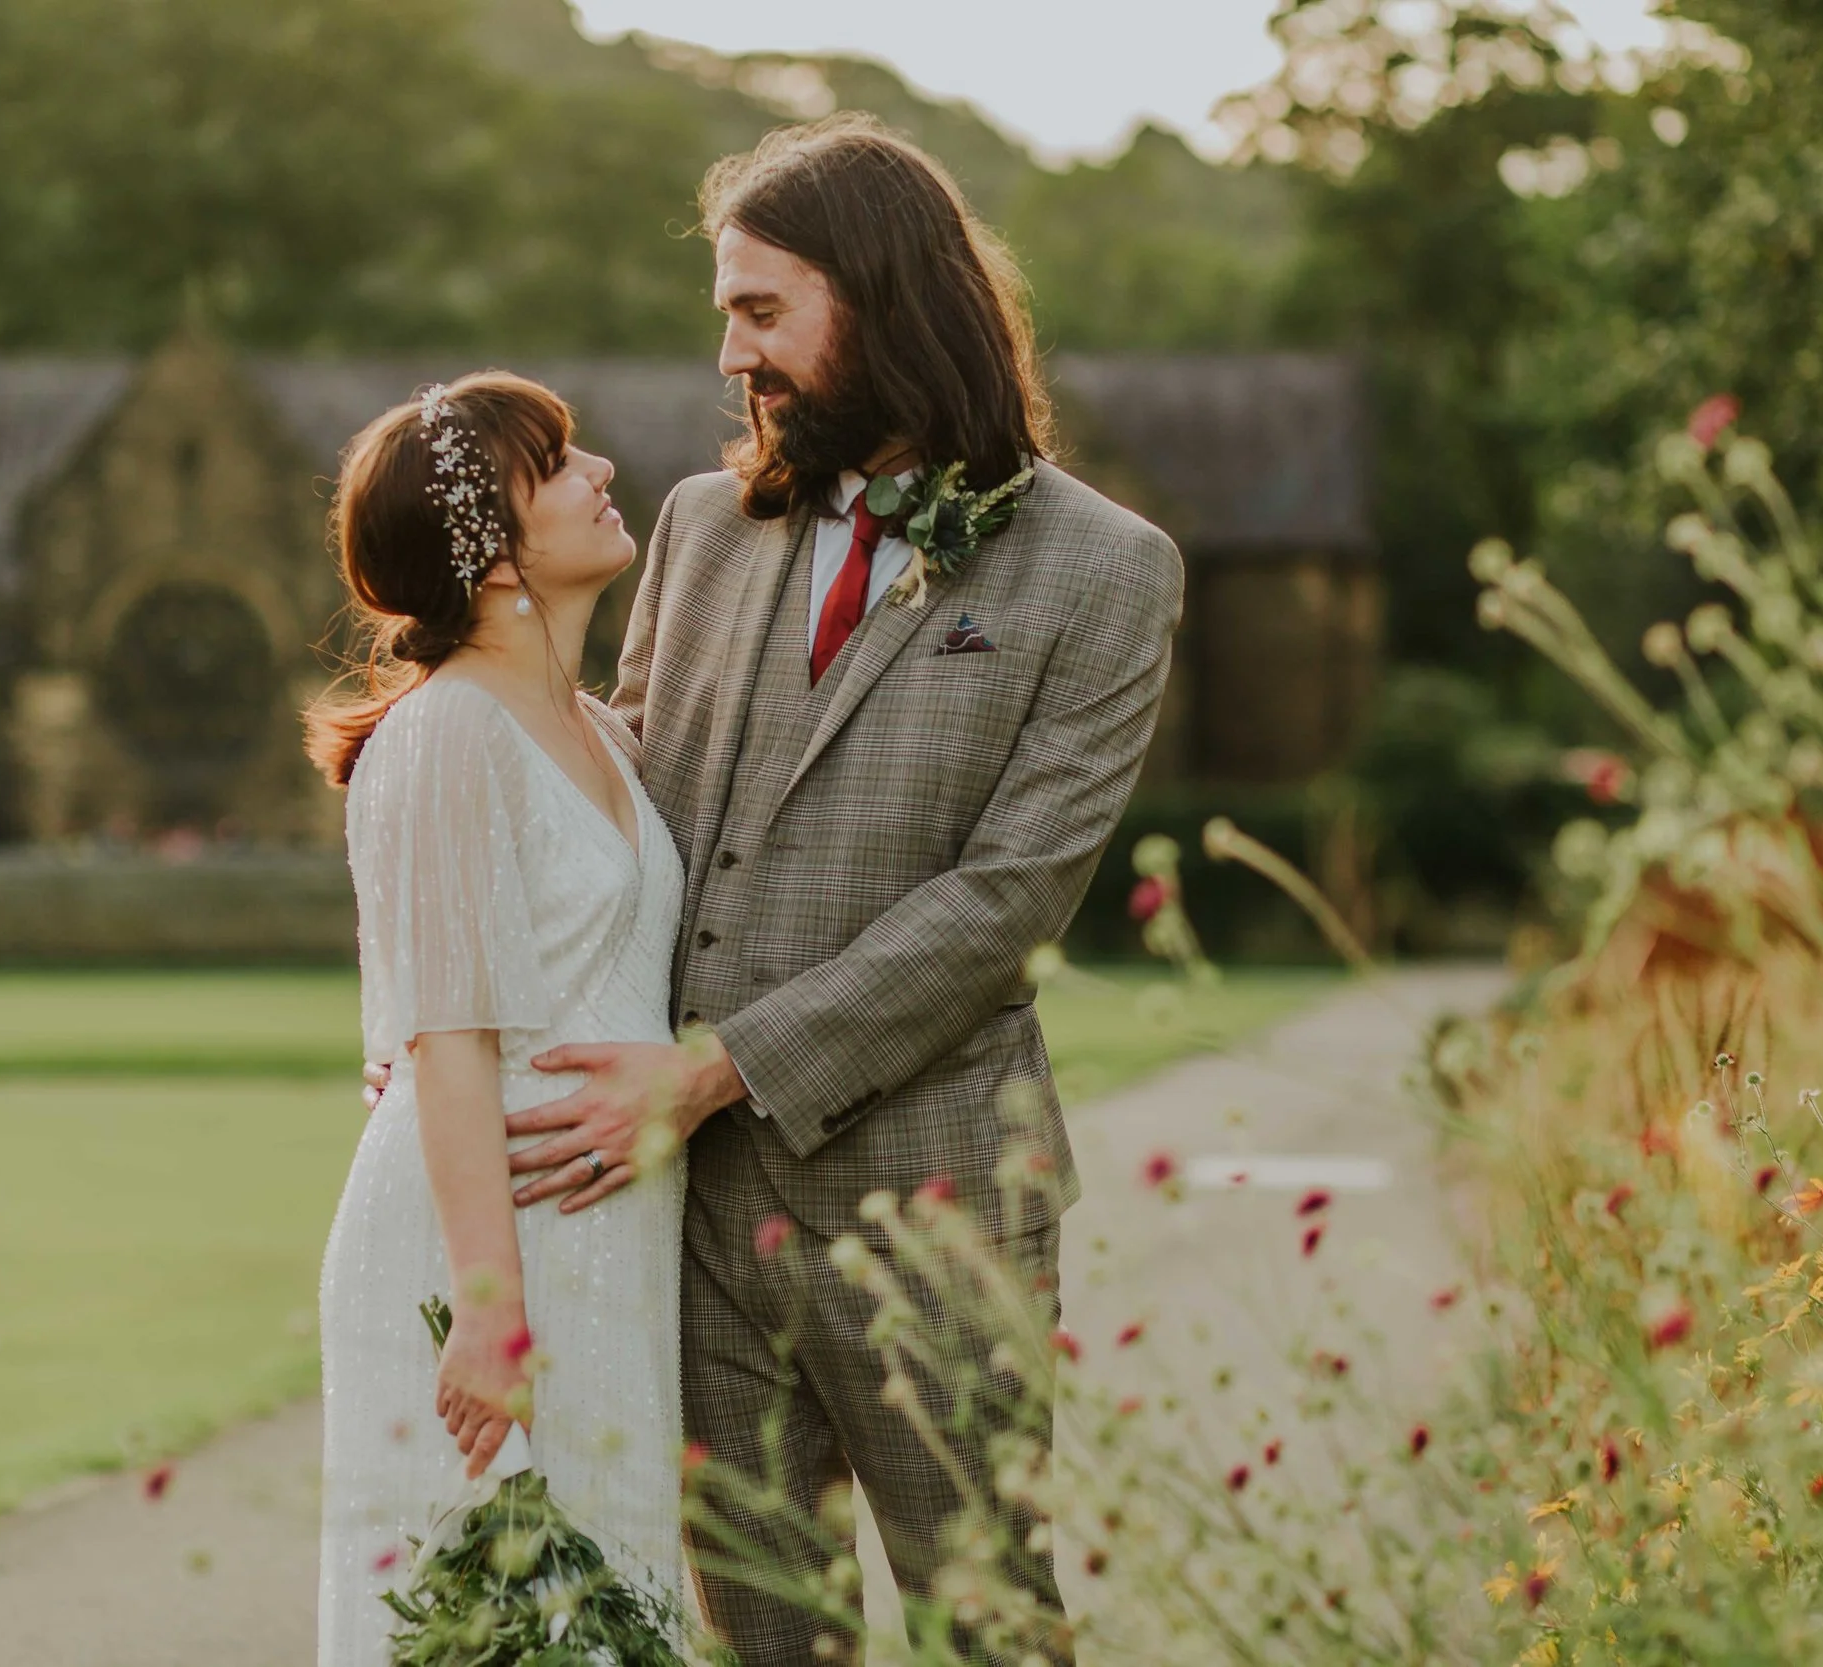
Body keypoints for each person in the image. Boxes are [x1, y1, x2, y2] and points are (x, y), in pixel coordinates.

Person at [486, 115, 1187, 1664]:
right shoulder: (696, 528)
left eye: (762, 310)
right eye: (724, 311)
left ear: (883, 299)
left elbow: (1008, 898)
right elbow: (639, 818)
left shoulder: (1106, 568)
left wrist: (719, 1066)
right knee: (761, 1635)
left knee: (989, 1625)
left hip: (936, 1204)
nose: (729, 353)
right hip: (698, 1214)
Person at [304, 372, 687, 1664]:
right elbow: (449, 1040)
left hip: (605, 1231)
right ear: (495, 553)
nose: (603, 474)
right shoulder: (446, 735)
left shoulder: (604, 735)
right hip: (485, 1245)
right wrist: (486, 1312)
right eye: (561, 465)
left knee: (610, 1598)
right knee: (483, 1617)